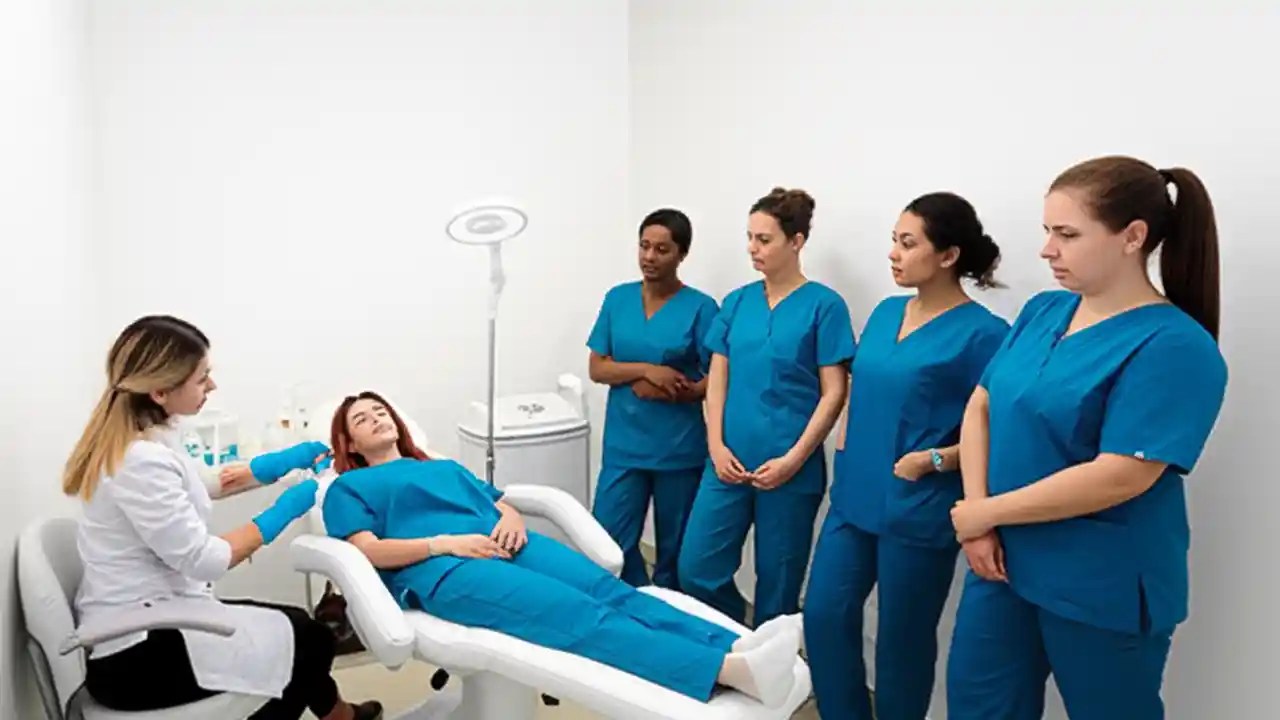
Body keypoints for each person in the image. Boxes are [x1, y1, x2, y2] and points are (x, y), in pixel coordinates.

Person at [945, 156, 1229, 720]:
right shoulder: (1044, 310)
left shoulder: (1175, 346)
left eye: (1067, 234)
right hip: (1001, 562)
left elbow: (1121, 473)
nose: (1047, 249)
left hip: (1101, 583)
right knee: (979, 705)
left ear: (1133, 237)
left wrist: (986, 512)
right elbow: (983, 405)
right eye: (1047, 231)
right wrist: (979, 515)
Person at [320, 391, 804, 707]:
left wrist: (509, 518)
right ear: (350, 442)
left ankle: (736, 643)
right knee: (580, 616)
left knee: (617, 593)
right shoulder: (350, 487)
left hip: (505, 543)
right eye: (362, 419)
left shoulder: (438, 465)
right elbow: (368, 550)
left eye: (381, 410)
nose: (377, 418)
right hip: (448, 569)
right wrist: (443, 543)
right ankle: (730, 671)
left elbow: (498, 501)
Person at [64, 315, 382, 720]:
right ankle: (340, 717)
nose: (211, 386)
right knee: (308, 642)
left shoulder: (149, 435)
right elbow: (206, 559)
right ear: (160, 391)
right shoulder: (138, 462)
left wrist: (281, 463)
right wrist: (283, 511)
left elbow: (202, 482)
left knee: (302, 630)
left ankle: (340, 716)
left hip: (152, 613)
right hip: (135, 657)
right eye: (201, 379)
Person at [802, 192, 1010, 720]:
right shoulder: (885, 312)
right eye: (893, 240)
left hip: (917, 507)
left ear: (948, 256)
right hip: (854, 496)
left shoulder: (985, 336)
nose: (893, 253)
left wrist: (935, 460)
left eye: (907, 242)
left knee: (902, 640)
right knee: (824, 615)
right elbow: (859, 384)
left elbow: (1002, 430)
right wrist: (847, 440)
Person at [677, 187, 855, 627]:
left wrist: (794, 459)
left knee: (778, 586)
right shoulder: (738, 302)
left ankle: (771, 677)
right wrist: (715, 444)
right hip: (727, 461)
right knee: (697, 567)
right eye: (750, 238)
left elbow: (834, 391)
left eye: (765, 239)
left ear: (796, 242)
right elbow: (718, 378)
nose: (753, 249)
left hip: (790, 469)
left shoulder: (824, 307)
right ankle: (735, 641)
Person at [587, 208, 720, 589]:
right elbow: (598, 367)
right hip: (624, 447)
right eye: (644, 246)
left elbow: (718, 376)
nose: (649, 256)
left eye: (662, 249)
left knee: (674, 551)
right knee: (608, 541)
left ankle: (668, 615)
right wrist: (647, 370)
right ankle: (630, 608)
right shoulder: (618, 299)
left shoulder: (701, 308)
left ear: (681, 254)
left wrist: (681, 392)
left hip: (677, 450)